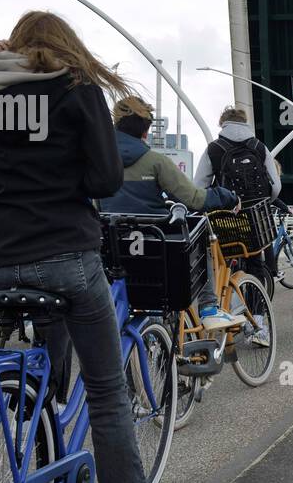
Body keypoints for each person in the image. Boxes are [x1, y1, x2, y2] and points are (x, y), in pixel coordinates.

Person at [0, 10, 171, 483]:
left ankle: (39, 424)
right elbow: (103, 180)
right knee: (105, 390)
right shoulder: (78, 90)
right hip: (65, 254)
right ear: (68, 45)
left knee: (38, 365)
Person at [102, 96, 247, 333]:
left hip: (113, 251)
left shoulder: (99, 162)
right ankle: (209, 308)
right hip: (155, 249)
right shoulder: (155, 162)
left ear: (116, 124)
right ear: (146, 130)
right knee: (199, 231)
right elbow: (195, 199)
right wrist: (228, 196)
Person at [193, 105, 279, 345]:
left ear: (223, 124)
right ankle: (260, 323)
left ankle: (223, 312)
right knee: (255, 264)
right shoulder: (259, 147)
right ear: (245, 123)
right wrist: (262, 203)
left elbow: (199, 186)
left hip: (225, 220)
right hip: (255, 220)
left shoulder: (214, 149)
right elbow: (275, 187)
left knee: (218, 261)